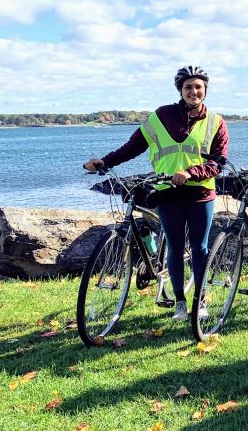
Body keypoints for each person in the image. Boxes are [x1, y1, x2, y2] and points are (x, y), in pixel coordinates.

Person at [83, 66, 228, 322]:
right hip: (167, 193)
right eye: (188, 87)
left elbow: (219, 162)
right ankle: (180, 302)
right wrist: (105, 162)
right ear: (180, 90)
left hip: (201, 193)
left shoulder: (216, 121)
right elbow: (133, 146)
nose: (193, 91)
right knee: (174, 247)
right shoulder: (161, 116)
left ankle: (200, 300)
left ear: (205, 90)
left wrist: (192, 172)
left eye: (198, 87)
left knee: (200, 248)